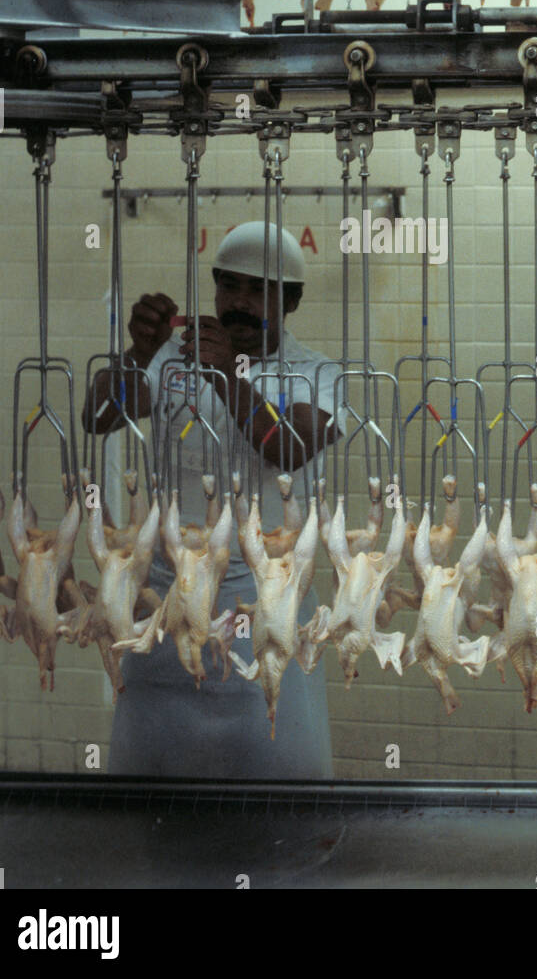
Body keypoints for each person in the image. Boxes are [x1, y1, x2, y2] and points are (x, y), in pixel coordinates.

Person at [84, 222, 340, 778]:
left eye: (258, 291)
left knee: (271, 785)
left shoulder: (316, 373)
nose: (239, 304)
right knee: (150, 785)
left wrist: (226, 374)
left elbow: (290, 449)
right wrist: (138, 352)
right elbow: (99, 415)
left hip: (261, 608)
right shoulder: (176, 359)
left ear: (290, 300)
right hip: (165, 606)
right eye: (229, 287)